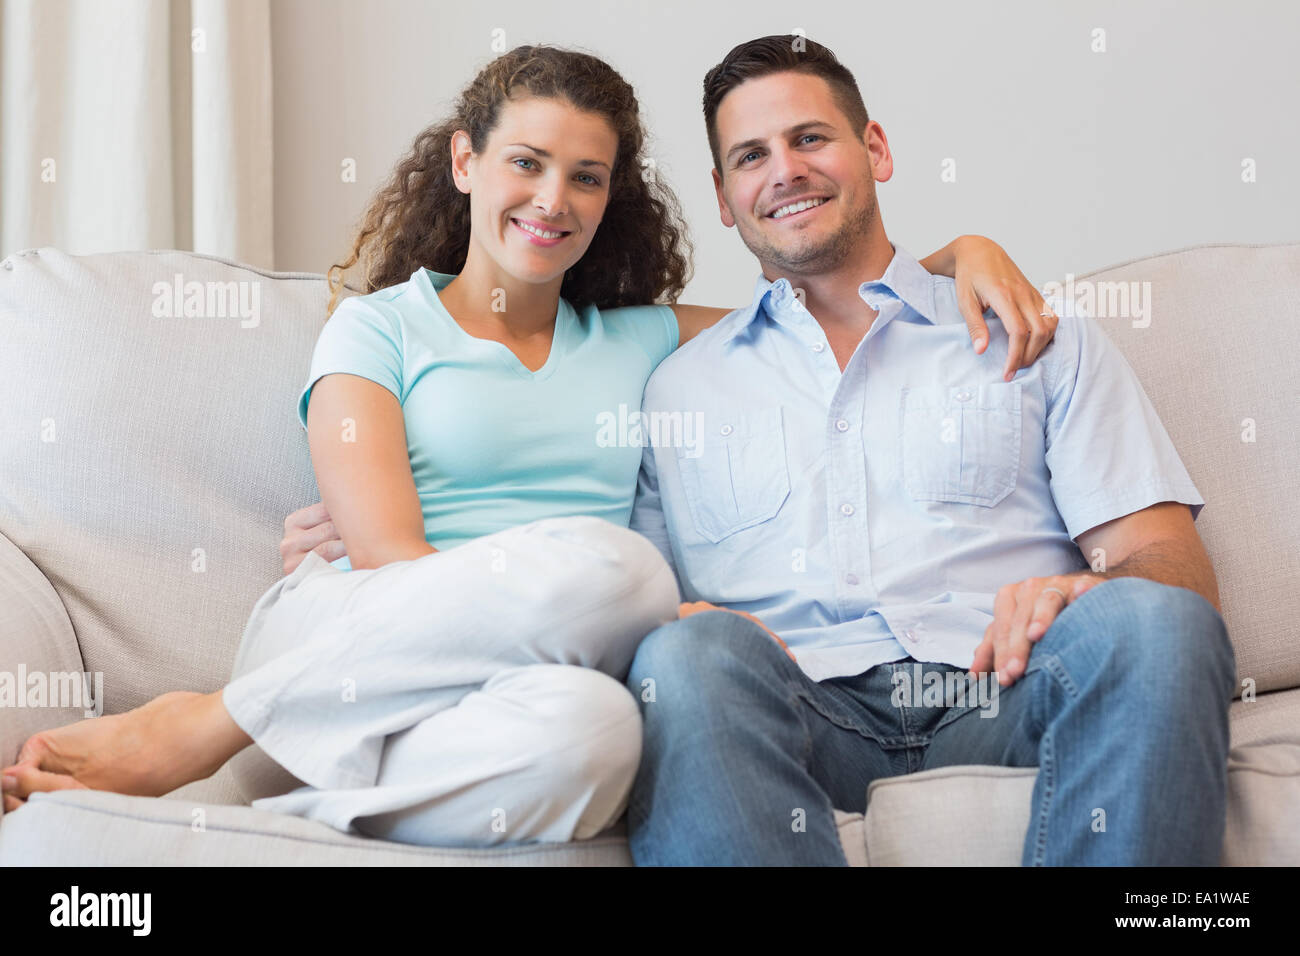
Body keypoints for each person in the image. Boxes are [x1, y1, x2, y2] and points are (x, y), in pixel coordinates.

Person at [2, 44, 1058, 848]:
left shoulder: (643, 337)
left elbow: (817, 294)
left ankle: (279, 791)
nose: (554, 199)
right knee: (627, 568)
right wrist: (602, 591)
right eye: (527, 162)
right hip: (356, 645)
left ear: (613, 196)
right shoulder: (377, 329)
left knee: (601, 733)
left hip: (532, 689)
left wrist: (964, 250)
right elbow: (388, 562)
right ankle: (213, 722)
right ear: (465, 163)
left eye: (587, 176)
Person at [615, 35, 1232, 865]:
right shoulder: (675, 389)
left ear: (875, 149)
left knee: (1157, 622)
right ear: (725, 198)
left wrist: (1080, 589)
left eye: (810, 138)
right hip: (797, 712)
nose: (785, 171)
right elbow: (647, 610)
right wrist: (680, 623)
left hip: (1010, 688)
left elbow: (1170, 561)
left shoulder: (1033, 331)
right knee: (681, 656)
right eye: (750, 156)